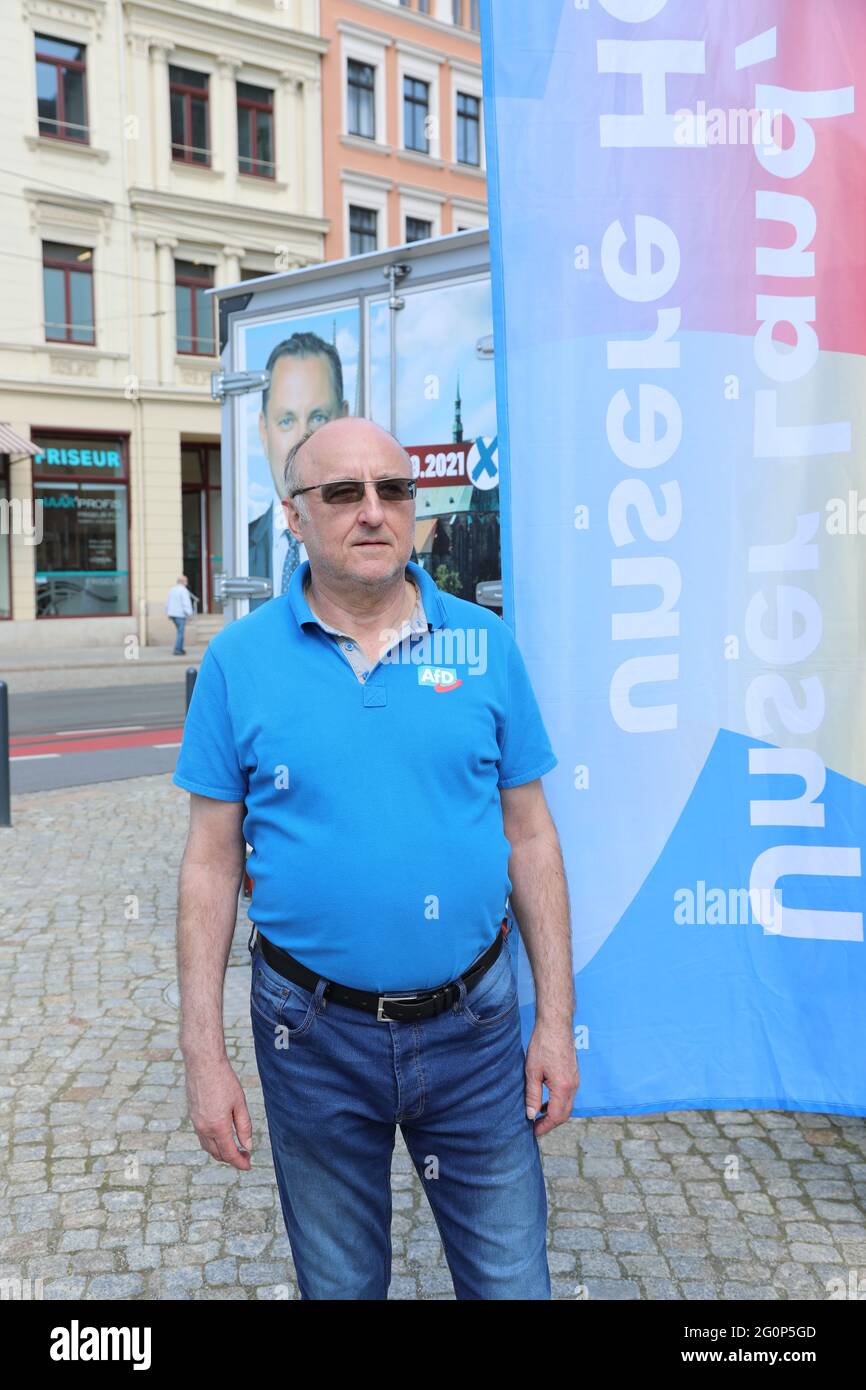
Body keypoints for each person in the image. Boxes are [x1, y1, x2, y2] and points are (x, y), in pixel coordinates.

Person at [173, 416, 579, 1300]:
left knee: (513, 1282)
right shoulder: (239, 663)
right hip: (308, 1033)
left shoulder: (483, 644)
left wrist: (553, 1021)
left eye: (393, 490)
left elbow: (532, 834)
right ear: (295, 516)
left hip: (475, 1030)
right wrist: (203, 1053)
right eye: (343, 493)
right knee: (341, 1285)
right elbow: (209, 863)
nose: (373, 512)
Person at [249, 331, 349, 598]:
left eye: (318, 417)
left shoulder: (376, 541)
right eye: (286, 421)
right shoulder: (240, 547)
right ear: (263, 430)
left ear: (344, 419)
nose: (302, 440)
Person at [165, 575, 194, 655]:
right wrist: (190, 614)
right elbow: (186, 603)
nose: (187, 583)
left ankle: (180, 648)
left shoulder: (172, 589)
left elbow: (167, 602)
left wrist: (167, 612)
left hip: (173, 614)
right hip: (180, 615)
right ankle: (178, 649)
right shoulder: (183, 590)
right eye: (186, 581)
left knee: (179, 632)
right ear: (182, 582)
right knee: (180, 633)